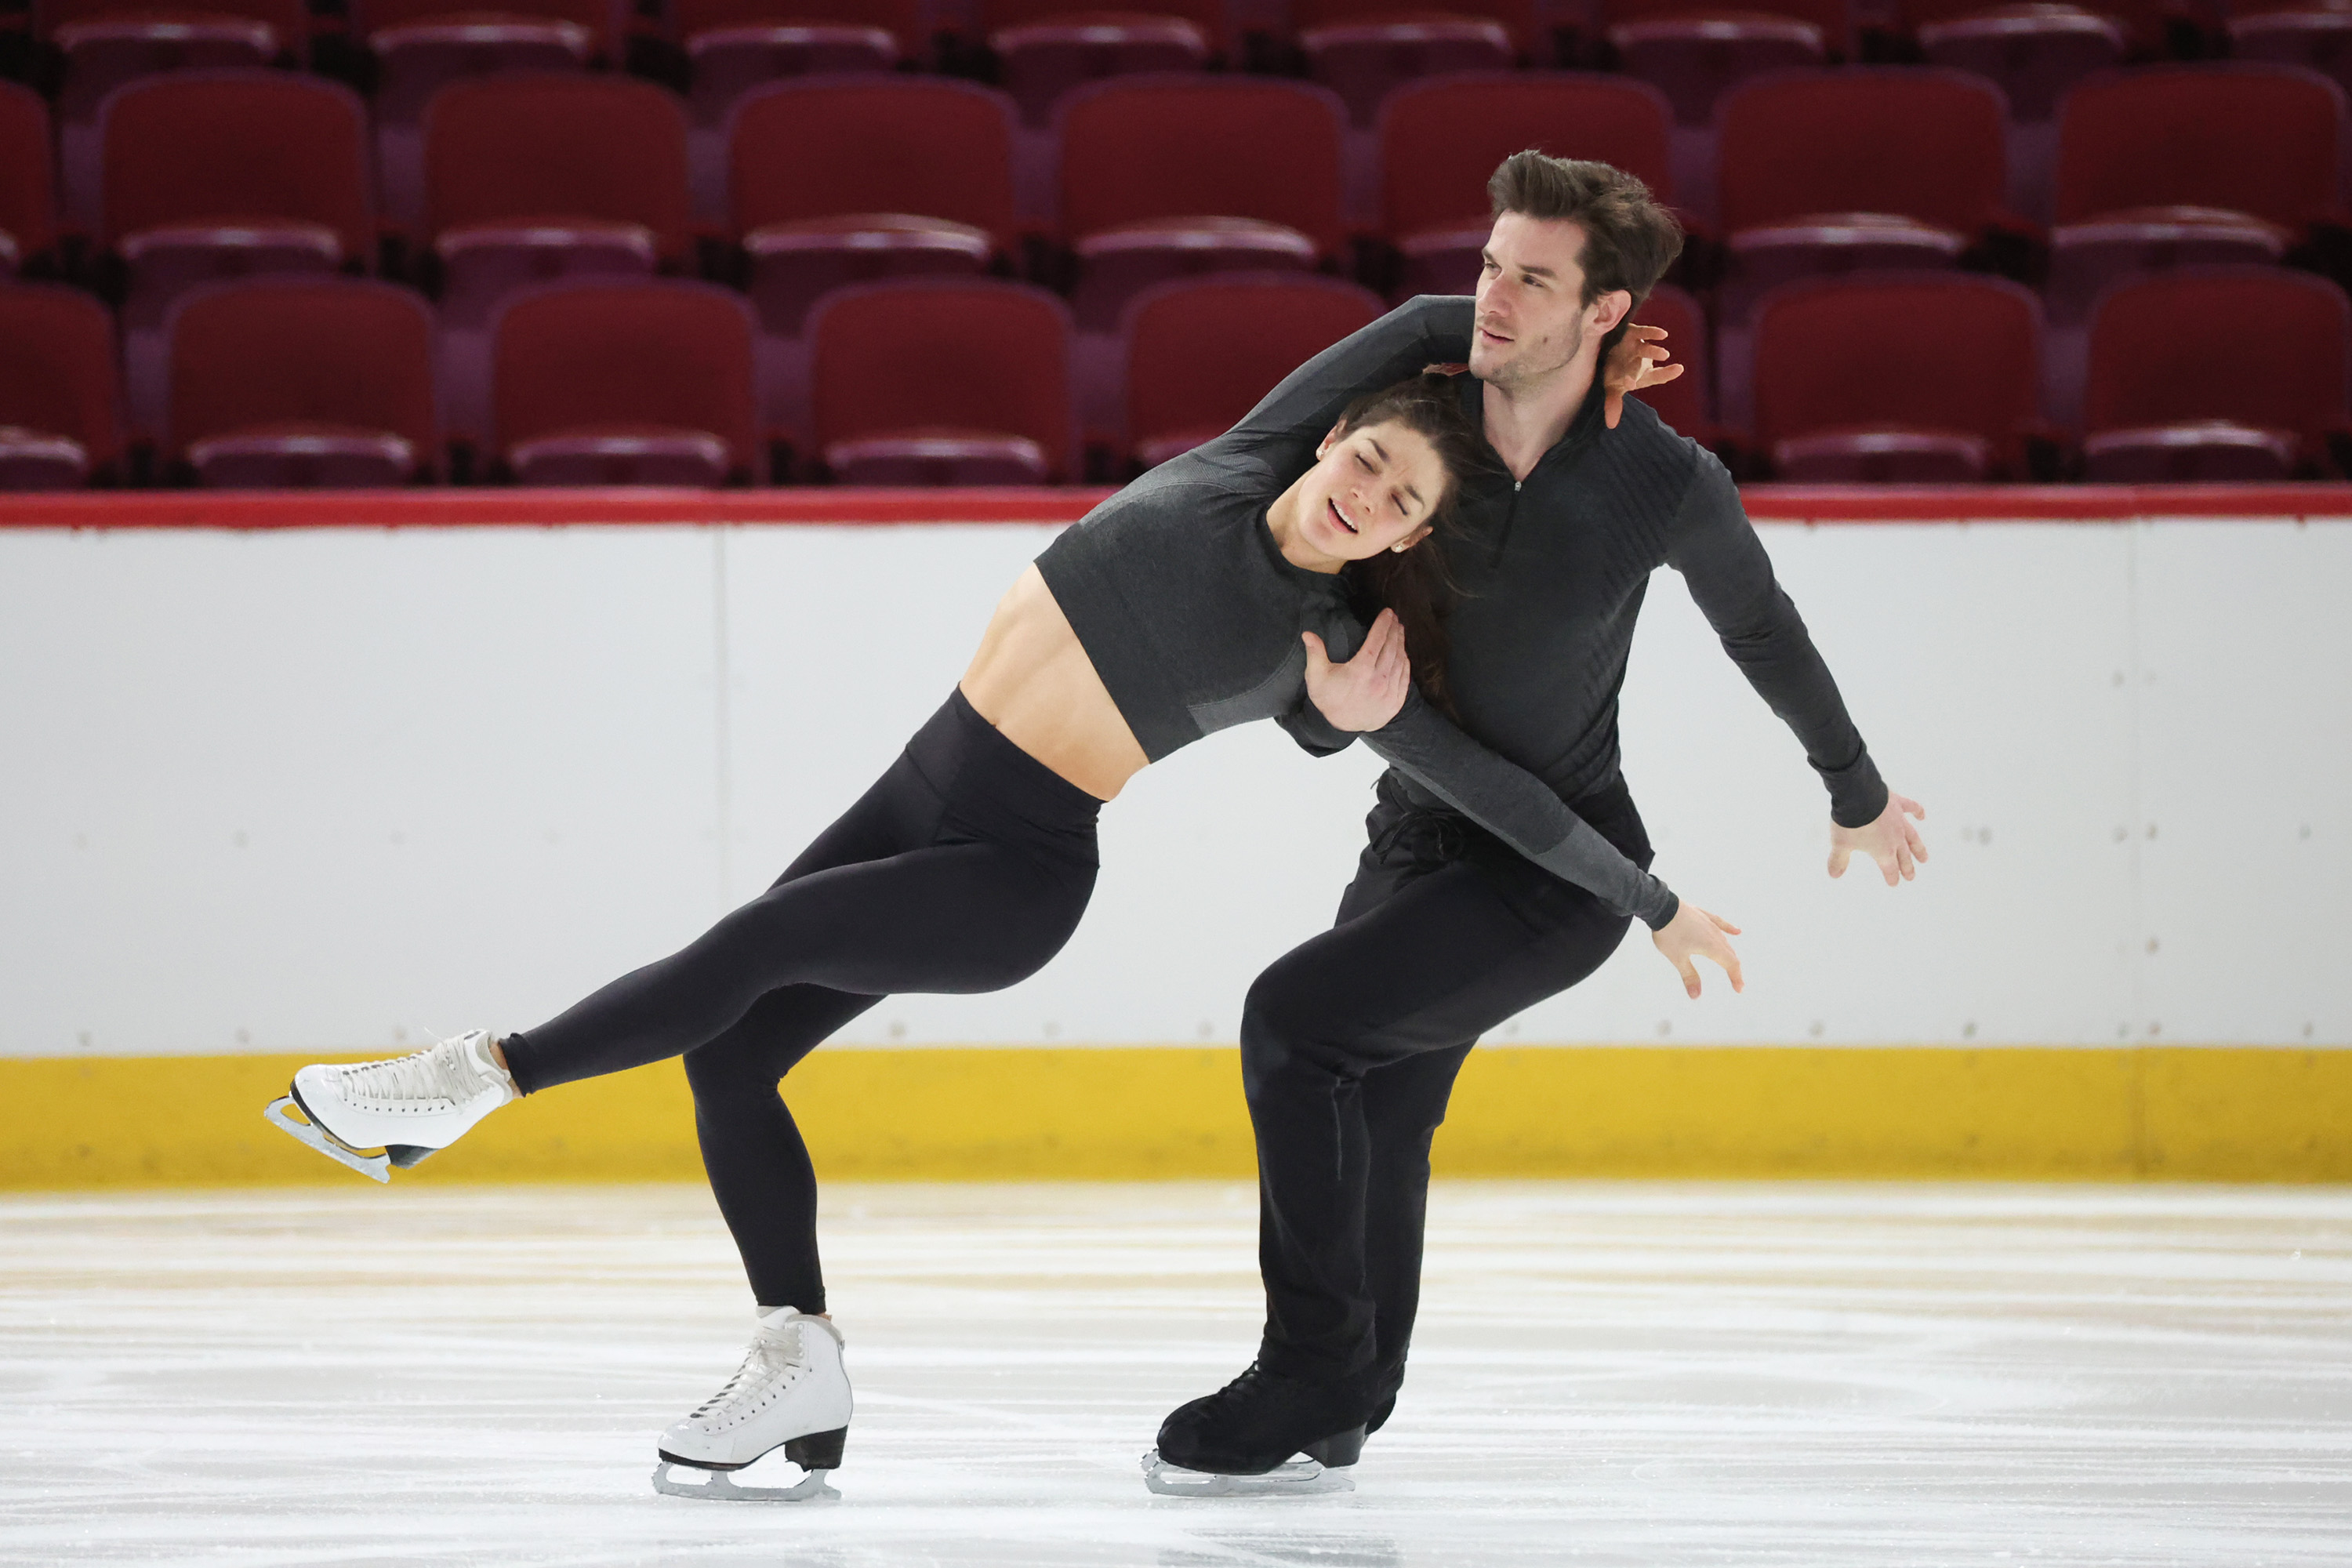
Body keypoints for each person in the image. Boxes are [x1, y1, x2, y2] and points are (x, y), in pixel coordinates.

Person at [260, 360, 1734, 1501]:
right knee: (733, 1057)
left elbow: (1496, 791)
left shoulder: (1336, 647)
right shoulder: (1237, 460)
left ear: (1408, 538)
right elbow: (1418, 330)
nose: (1371, 497)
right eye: (1369, 461)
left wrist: (1649, 899)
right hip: (916, 791)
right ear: (1332, 434)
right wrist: (1558, 356)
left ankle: (468, 1081)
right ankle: (798, 1357)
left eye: (1404, 504)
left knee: (743, 957)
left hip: (1010, 872)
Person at [1150, 151, 1933, 1488]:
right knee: (1376, 1106)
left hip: (1559, 866)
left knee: (1296, 1025)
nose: (1495, 299)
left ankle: (1309, 1366)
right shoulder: (1414, 426)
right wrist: (1324, 714)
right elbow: (1305, 580)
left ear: (1608, 311)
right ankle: (1347, 1398)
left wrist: (1853, 788)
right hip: (1418, 827)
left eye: (1533, 280)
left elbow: (1760, 626)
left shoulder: (1661, 480)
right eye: (1488, 268)